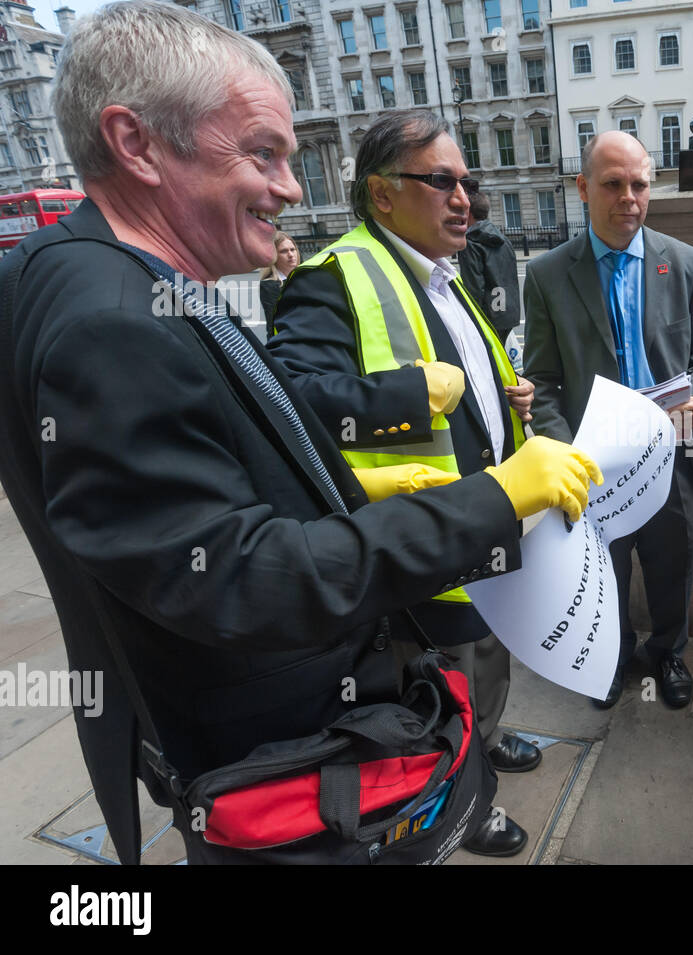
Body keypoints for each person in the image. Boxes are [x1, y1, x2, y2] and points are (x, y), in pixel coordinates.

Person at [0, 1, 600, 865]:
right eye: (262, 152)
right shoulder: (112, 319)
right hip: (277, 768)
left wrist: (361, 491)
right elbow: (240, 578)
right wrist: (491, 501)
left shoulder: (105, 273)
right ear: (136, 143)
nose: (289, 186)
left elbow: (233, 457)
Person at [267, 110, 541, 858]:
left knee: (489, 654)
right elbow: (287, 399)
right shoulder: (334, 277)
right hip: (422, 543)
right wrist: (408, 393)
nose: (465, 199)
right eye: (443, 181)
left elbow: (464, 381)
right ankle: (464, 796)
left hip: (484, 519)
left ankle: (487, 734)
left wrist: (503, 394)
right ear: (383, 195)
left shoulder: (449, 271)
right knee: (442, 681)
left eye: (468, 182)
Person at [523, 131, 693, 710]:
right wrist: (570, 452)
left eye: (639, 184)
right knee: (603, 573)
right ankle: (609, 653)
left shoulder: (684, 263)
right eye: (612, 184)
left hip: (674, 454)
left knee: (672, 567)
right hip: (596, 464)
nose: (628, 197)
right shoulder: (547, 276)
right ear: (583, 188)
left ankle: (669, 653)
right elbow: (545, 382)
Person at [457, 190, 521, 344]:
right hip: (508, 314)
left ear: (469, 213)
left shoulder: (471, 243)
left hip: (488, 317)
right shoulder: (504, 239)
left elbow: (474, 288)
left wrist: (471, 321)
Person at [258, 229, 298, 322]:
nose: (291, 255)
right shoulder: (269, 285)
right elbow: (272, 322)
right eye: (284, 251)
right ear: (274, 255)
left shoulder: (306, 276)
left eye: (292, 249)